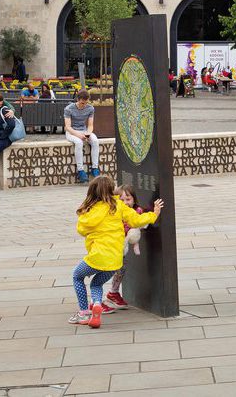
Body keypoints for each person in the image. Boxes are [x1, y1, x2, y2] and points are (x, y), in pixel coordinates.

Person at [70, 176, 162, 328]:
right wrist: (154, 214)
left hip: (97, 257)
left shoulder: (90, 210)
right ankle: (97, 305)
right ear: (111, 191)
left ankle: (84, 313)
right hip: (115, 260)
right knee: (96, 283)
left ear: (93, 191)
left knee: (77, 276)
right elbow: (137, 220)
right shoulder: (119, 206)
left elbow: (81, 230)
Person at [105, 184, 145, 311]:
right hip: (110, 245)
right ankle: (101, 298)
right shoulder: (114, 212)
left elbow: (141, 221)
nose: (125, 203)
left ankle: (113, 293)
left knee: (121, 268)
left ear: (134, 199)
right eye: (121, 200)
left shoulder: (136, 212)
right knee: (106, 271)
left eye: (128, 199)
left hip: (122, 247)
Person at [65, 90, 101, 184]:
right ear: (78, 99)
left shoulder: (90, 108)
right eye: (82, 103)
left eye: (86, 103)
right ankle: (80, 171)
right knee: (79, 142)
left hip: (84, 131)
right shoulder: (69, 109)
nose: (84, 105)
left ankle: (95, 168)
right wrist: (79, 135)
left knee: (95, 141)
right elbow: (67, 127)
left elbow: (90, 125)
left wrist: (88, 134)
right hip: (72, 132)